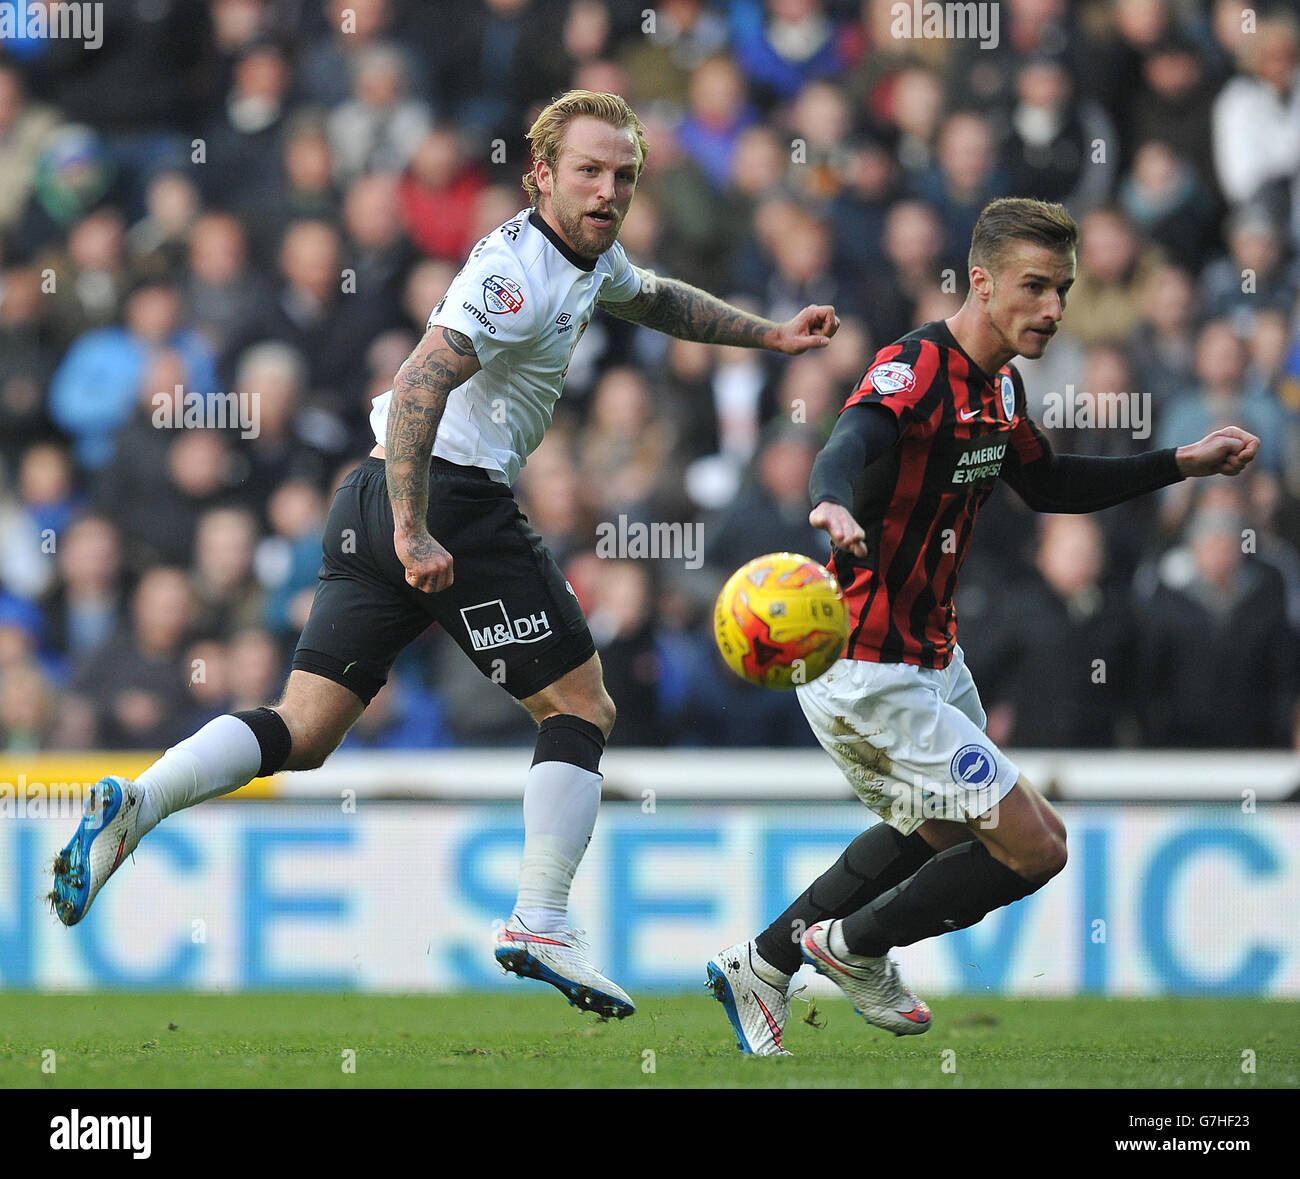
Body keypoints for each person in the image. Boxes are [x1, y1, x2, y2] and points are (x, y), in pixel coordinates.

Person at [48, 89, 839, 1021]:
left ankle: (133, 805)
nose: (609, 189)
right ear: (540, 174)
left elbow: (656, 297)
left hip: (368, 489)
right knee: (582, 703)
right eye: (589, 171)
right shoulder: (519, 272)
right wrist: (418, 529)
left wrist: (769, 333)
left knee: (302, 730)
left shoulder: (587, 255)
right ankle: (540, 918)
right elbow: (423, 377)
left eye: (623, 174)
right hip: (446, 498)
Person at [707, 196, 1260, 1055]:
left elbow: (1049, 486)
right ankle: (852, 946)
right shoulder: (917, 367)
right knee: (1039, 847)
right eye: (1035, 287)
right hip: (867, 659)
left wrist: (1180, 464)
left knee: (937, 830)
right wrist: (828, 498)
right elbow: (851, 437)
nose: (1052, 308)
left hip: (930, 652)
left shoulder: (1000, 385)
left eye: (1064, 291)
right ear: (981, 281)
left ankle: (767, 960)